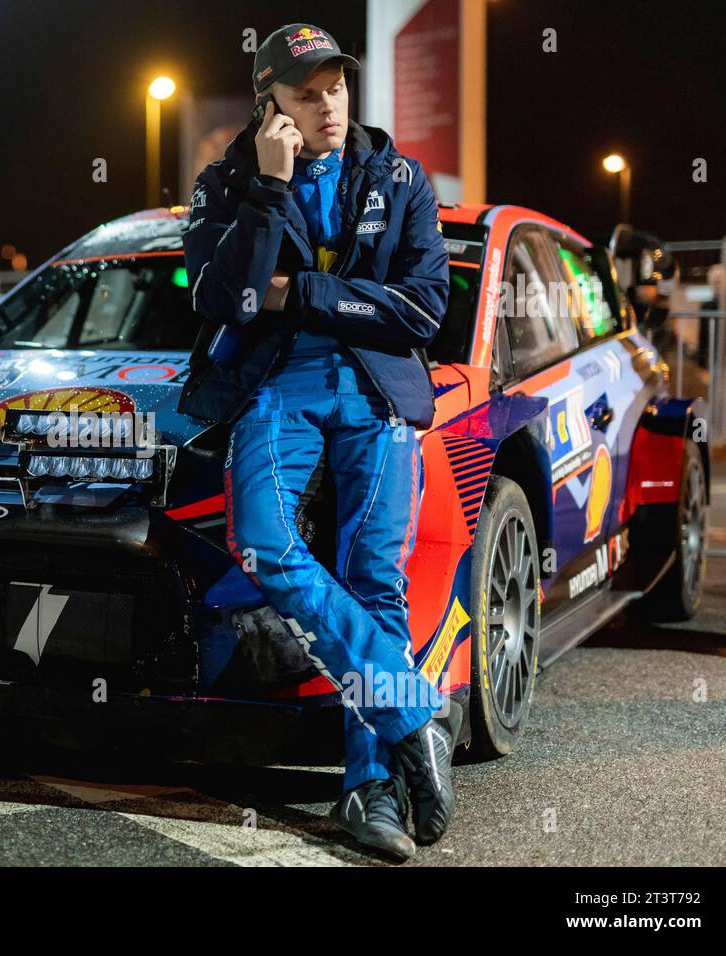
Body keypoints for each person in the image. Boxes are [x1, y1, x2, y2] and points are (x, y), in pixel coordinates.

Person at [177, 23, 455, 861]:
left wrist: (302, 292)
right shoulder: (226, 181)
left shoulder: (402, 176)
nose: (329, 104)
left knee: (376, 580)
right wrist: (268, 189)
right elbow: (225, 298)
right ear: (270, 106)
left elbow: (421, 308)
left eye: (336, 86)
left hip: (376, 387)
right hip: (274, 383)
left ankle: (368, 792)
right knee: (261, 541)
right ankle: (412, 714)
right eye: (307, 92)